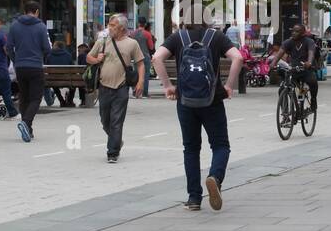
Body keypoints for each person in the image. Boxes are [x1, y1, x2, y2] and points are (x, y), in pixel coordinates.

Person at [152, 22, 244, 212]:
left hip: (185, 101)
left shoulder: (178, 36)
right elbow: (238, 57)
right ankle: (215, 177)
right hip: (213, 100)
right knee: (220, 145)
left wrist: (168, 86)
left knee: (191, 148)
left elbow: (156, 58)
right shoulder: (216, 36)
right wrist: (229, 86)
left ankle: (194, 198)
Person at [86, 14, 145, 162]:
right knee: (104, 120)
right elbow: (88, 57)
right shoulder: (103, 41)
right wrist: (96, 59)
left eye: (112, 25)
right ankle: (116, 140)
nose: (109, 27)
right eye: (109, 24)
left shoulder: (132, 43)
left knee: (116, 121)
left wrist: (140, 82)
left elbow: (140, 63)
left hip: (121, 87)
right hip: (104, 86)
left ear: (122, 28)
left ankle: (112, 152)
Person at [7, 0, 51, 142]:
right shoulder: (41, 27)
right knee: (36, 98)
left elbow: (8, 47)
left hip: (20, 66)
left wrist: (15, 59)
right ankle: (25, 122)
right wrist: (41, 56)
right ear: (37, 12)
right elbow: (47, 48)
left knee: (24, 97)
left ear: (25, 10)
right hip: (35, 66)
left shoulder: (14, 26)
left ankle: (28, 130)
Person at [269, 23, 320, 115]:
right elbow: (280, 53)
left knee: (312, 82)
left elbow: (311, 53)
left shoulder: (309, 42)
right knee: (282, 89)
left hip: (306, 70)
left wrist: (309, 62)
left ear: (303, 33)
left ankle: (313, 102)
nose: (294, 33)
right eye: (293, 31)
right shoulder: (288, 42)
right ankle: (285, 113)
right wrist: (273, 64)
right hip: (293, 70)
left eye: (297, 31)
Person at [45, 38, 78, 107]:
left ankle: (61, 101)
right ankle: (70, 101)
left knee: (54, 84)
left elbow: (47, 68)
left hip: (53, 80)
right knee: (74, 84)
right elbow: (72, 68)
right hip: (67, 80)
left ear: (56, 47)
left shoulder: (49, 56)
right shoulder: (68, 55)